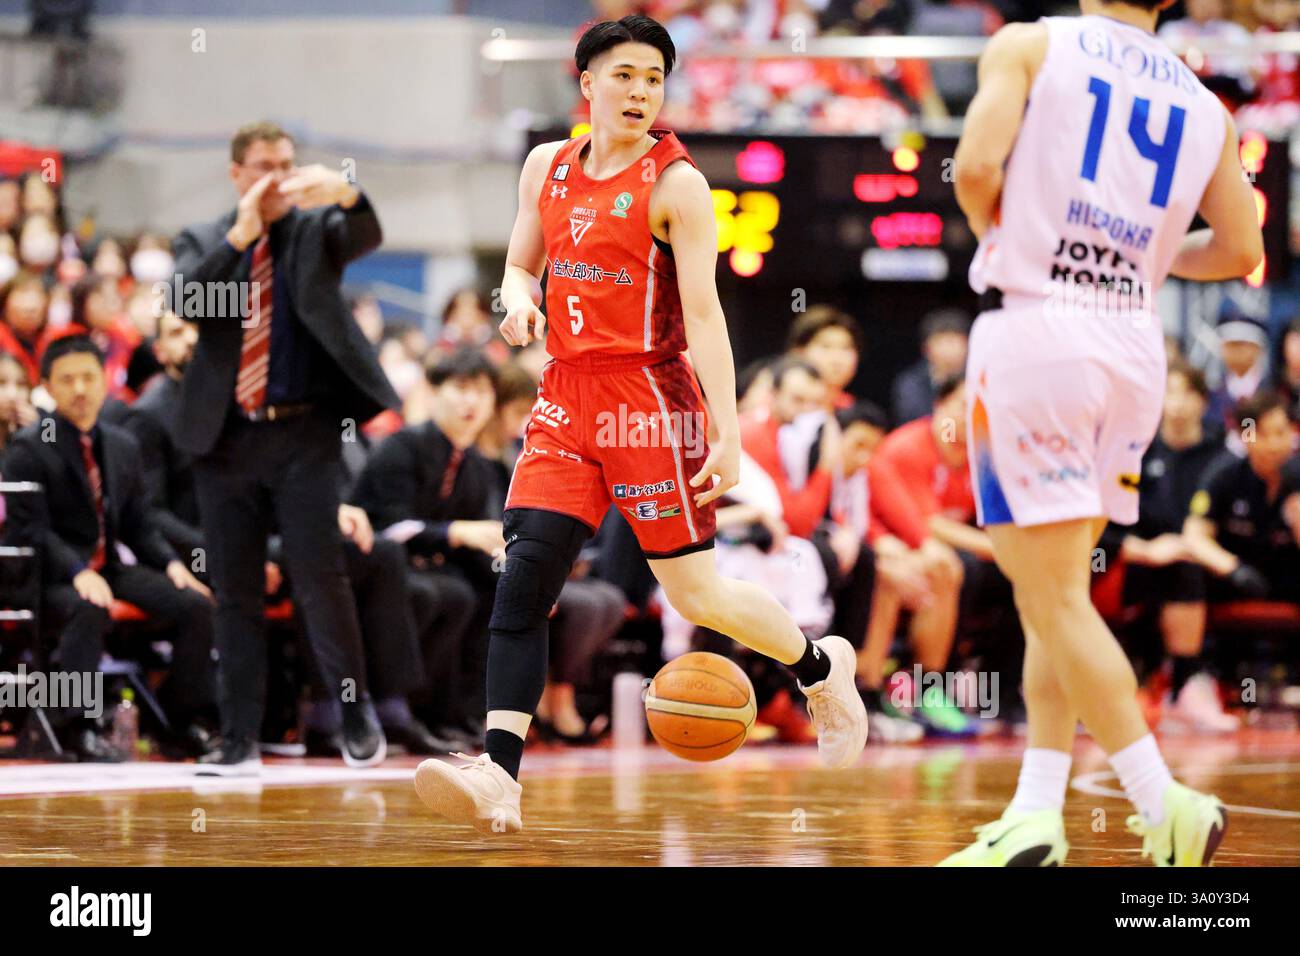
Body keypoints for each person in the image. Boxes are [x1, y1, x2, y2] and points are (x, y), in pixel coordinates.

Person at [413, 15, 867, 835]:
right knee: (524, 577)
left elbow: (706, 317)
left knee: (694, 590)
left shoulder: (678, 183)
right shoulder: (546, 165)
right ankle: (499, 776)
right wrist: (516, 297)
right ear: (586, 84)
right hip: (564, 396)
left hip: (650, 399)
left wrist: (726, 434)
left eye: (654, 79)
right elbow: (520, 262)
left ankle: (816, 666)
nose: (640, 92)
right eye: (624, 75)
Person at [944, 0, 1262, 866]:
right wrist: (1147, 259)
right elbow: (1240, 249)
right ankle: (1037, 811)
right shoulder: (1206, 105)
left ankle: (1166, 802)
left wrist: (1002, 235)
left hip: (1040, 331)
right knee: (1057, 595)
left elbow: (974, 166)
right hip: (1131, 340)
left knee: (1049, 594)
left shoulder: (1030, 44)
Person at [172, 121, 400, 775]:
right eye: (265, 165)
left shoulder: (313, 229)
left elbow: (365, 234)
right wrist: (240, 236)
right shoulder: (204, 237)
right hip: (225, 436)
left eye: (288, 163)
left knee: (319, 580)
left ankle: (355, 716)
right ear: (237, 173)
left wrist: (348, 194)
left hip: (304, 432)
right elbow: (187, 299)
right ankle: (239, 738)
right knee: (236, 592)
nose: (280, 176)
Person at [2, 336, 217, 760]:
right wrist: (78, 572)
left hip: (108, 567)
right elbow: (33, 531)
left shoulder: (121, 445)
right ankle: (73, 725)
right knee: (88, 606)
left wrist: (171, 563)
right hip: (43, 573)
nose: (79, 389)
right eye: (67, 380)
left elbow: (140, 524)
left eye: (88, 378)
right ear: (46, 385)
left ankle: (181, 719)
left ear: (105, 382)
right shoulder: (29, 447)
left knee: (195, 603)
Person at [1100, 361, 1238, 733]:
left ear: (1202, 401)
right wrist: (1144, 550)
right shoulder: (1134, 452)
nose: (1176, 403)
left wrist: (1199, 548)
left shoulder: (1222, 458)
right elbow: (1104, 522)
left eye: (1186, 393)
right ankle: (1132, 687)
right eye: (1169, 392)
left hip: (1202, 564)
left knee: (1187, 567)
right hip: (1132, 561)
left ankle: (1186, 686)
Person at [1184, 390, 1300, 606]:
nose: (1273, 445)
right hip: (1237, 583)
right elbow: (1194, 536)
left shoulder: (1296, 476)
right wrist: (1234, 569)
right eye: (1263, 434)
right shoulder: (1224, 474)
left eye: (1281, 433)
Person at [891, 309, 970, 426]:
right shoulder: (910, 383)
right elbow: (912, 418)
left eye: (954, 341)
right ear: (926, 348)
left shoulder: (978, 380)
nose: (949, 349)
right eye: (942, 342)